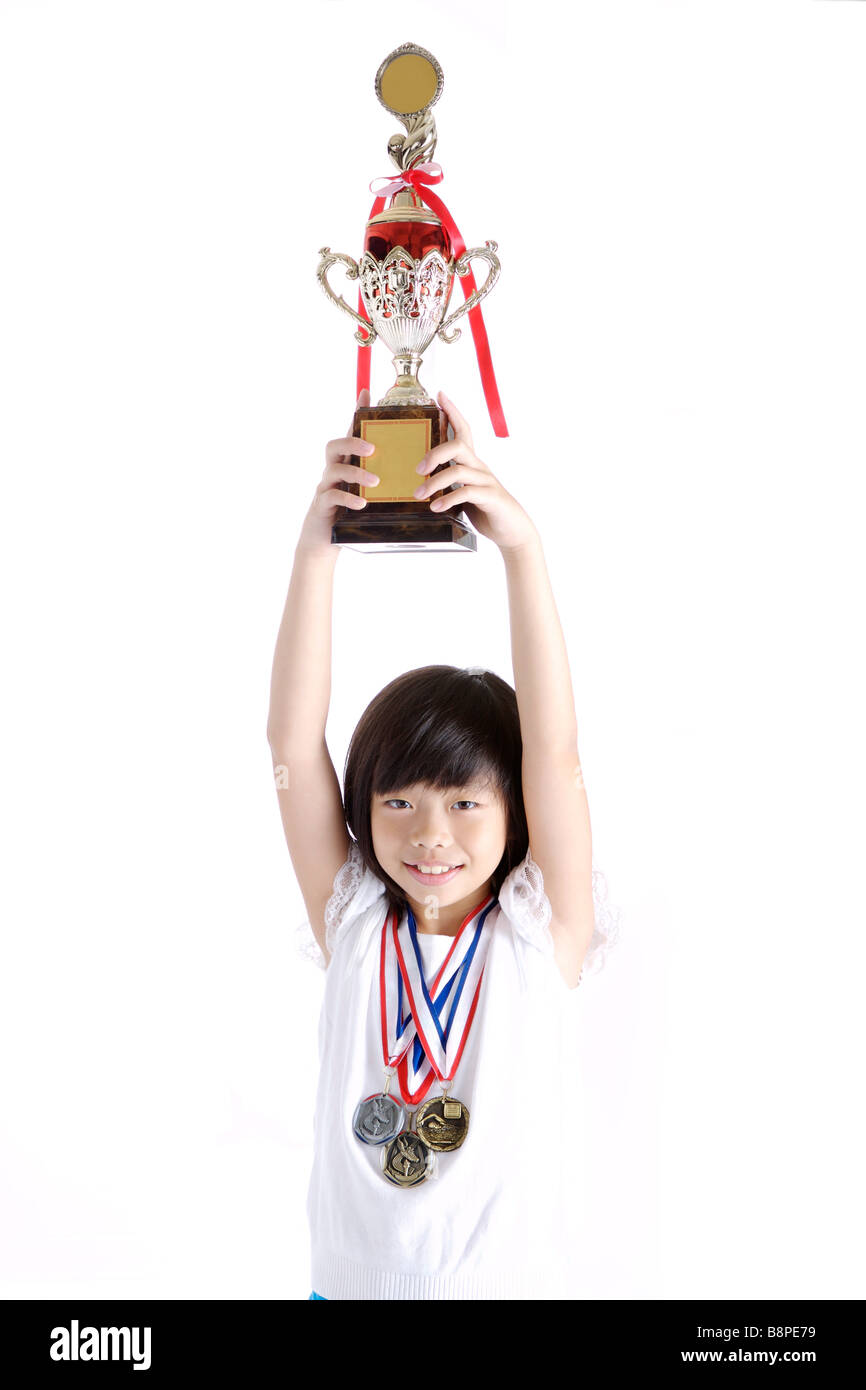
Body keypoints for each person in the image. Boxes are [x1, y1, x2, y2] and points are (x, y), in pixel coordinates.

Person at [267, 388, 620, 1300]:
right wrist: (318, 545)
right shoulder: (351, 917)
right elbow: (290, 744)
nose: (430, 834)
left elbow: (555, 751)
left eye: (465, 802)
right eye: (398, 801)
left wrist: (521, 548)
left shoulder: (542, 934)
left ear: (515, 814)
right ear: (362, 809)